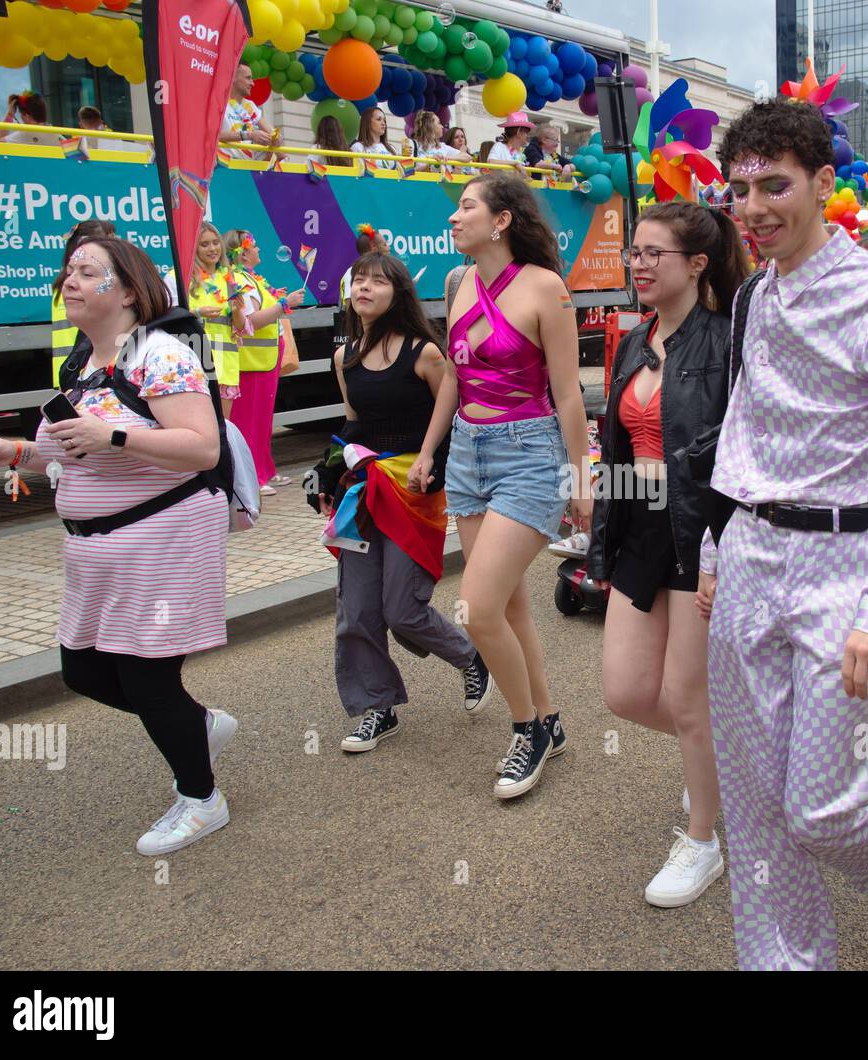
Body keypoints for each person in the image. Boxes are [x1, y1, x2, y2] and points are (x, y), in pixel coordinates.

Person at [701, 100, 868, 970]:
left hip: (848, 565)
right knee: (753, 800)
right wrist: (714, 548)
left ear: (823, 184)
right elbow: (745, 423)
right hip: (748, 557)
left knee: (820, 804)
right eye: (741, 189)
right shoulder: (751, 299)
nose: (754, 207)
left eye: (775, 186)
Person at [0, 238, 235, 855]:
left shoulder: (161, 353)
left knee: (146, 677)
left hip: (163, 537)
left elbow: (201, 448)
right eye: (69, 272)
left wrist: (111, 434)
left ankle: (202, 798)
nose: (71, 280)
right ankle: (195, 726)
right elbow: (68, 449)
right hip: (98, 549)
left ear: (129, 291)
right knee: (83, 670)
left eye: (89, 272)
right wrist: (18, 453)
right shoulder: (83, 361)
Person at [585, 201, 749, 907]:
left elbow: (742, 455)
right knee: (626, 693)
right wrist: (597, 510)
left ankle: (704, 840)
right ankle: (718, 756)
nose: (639, 264)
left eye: (655, 253)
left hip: (699, 529)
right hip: (640, 530)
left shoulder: (728, 342)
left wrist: (720, 547)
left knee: (687, 698)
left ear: (697, 264)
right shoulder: (631, 341)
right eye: (636, 252)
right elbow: (617, 444)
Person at [409, 172, 590, 800]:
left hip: (530, 456)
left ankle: (526, 730)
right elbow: (454, 379)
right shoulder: (459, 283)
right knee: (509, 606)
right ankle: (548, 714)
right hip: (467, 455)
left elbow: (568, 394)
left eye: (465, 208)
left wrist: (581, 477)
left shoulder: (548, 288)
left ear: (503, 219)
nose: (453, 219)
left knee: (478, 610)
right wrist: (431, 450)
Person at [326, 252, 493, 752]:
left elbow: (453, 416)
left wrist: (429, 462)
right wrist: (328, 468)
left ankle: (471, 657)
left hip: (417, 491)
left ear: (397, 291)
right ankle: (376, 707)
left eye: (377, 281)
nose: (365, 288)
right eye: (359, 280)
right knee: (355, 610)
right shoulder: (344, 357)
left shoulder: (425, 353)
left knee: (401, 609)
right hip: (363, 491)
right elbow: (354, 425)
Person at [225, 229, 305, 495]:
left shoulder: (251, 279)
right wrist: (284, 303)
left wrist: (276, 298)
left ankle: (265, 471)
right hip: (251, 363)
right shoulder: (240, 281)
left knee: (262, 422)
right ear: (243, 252)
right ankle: (252, 479)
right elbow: (250, 322)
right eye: (255, 245)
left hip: (262, 361)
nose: (259, 250)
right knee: (249, 422)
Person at [164, 222, 243, 416]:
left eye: (216, 242)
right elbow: (166, 318)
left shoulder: (231, 278)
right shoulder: (177, 277)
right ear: (193, 247)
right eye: (205, 244)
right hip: (192, 362)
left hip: (225, 365)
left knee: (224, 429)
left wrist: (238, 311)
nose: (213, 248)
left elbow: (240, 326)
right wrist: (198, 312)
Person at [51, 220, 117, 385]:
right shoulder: (88, 286)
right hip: (83, 368)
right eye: (111, 240)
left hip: (68, 369)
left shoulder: (64, 284)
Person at [220, 64, 276, 160]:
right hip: (225, 167)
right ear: (233, 77)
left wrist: (274, 141)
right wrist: (249, 135)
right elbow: (213, 135)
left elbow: (271, 134)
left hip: (247, 169)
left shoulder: (250, 106)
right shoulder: (218, 102)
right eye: (248, 78)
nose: (252, 83)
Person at [339, 223, 391, 304]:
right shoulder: (353, 272)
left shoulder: (384, 270)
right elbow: (350, 305)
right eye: (385, 245)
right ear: (373, 247)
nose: (388, 248)